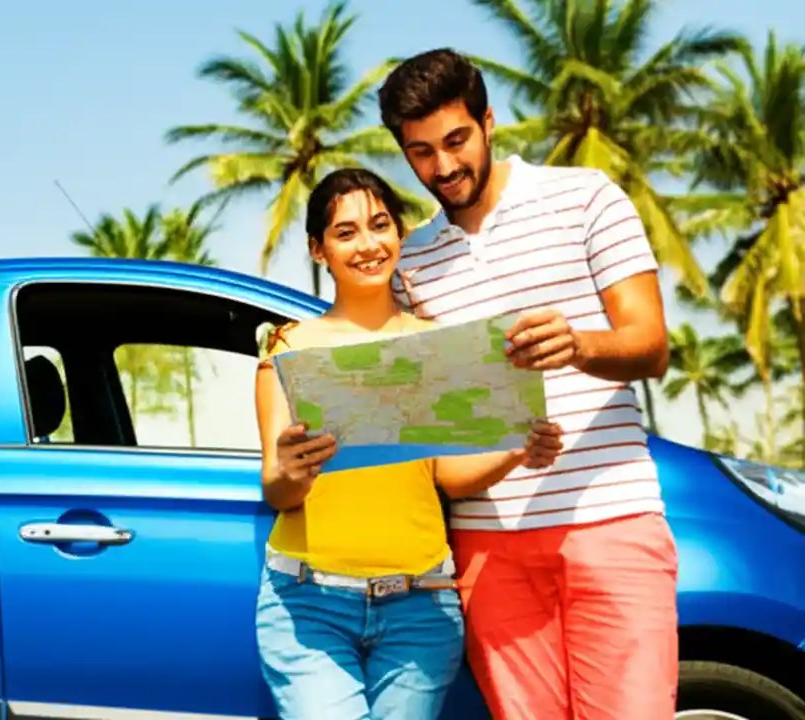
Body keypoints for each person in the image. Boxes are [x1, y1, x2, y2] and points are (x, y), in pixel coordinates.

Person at [376, 48, 677, 719]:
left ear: (489, 121)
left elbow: (651, 346)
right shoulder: (412, 263)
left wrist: (580, 343)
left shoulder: (586, 198)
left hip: (609, 521)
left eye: (456, 140)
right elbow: (429, 416)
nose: (444, 167)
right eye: (421, 152)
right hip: (487, 545)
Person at [253, 166, 564, 720]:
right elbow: (276, 489)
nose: (368, 245)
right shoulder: (289, 349)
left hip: (420, 608)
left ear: (399, 233)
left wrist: (519, 450)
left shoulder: (433, 347)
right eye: (345, 233)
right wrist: (294, 469)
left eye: (380, 225)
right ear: (318, 250)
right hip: (309, 604)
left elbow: (446, 476)